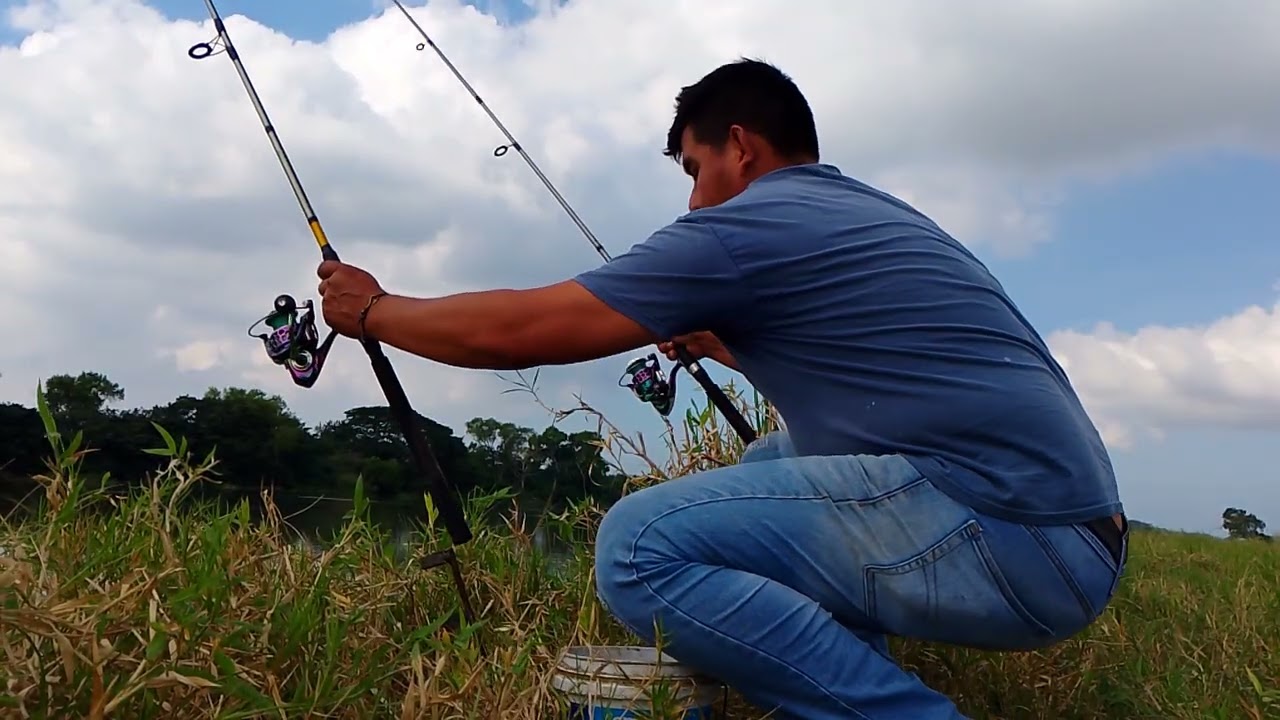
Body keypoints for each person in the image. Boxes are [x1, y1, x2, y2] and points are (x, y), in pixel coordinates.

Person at [317, 57, 1128, 719]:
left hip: (1014, 538)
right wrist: (727, 346)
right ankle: (835, 682)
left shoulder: (748, 227)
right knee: (770, 459)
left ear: (741, 146)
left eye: (695, 168)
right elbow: (880, 374)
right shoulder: (865, 213)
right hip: (1070, 534)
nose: (693, 196)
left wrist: (377, 311)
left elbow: (520, 334)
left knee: (637, 546)